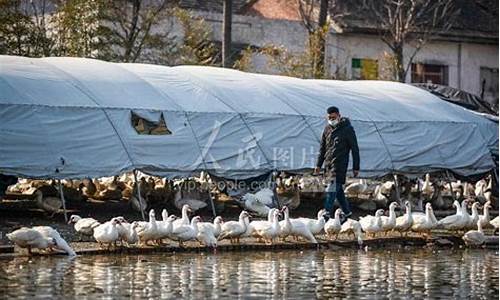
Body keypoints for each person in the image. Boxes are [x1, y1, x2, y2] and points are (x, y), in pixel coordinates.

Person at [314, 106, 360, 220]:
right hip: (328, 165)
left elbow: (355, 149)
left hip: (340, 165)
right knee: (338, 191)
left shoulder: (347, 129)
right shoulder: (327, 129)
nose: (331, 119)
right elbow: (322, 149)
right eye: (329, 117)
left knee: (331, 189)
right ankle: (347, 212)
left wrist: (356, 167)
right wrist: (318, 165)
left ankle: (326, 214)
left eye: (333, 117)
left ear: (339, 116)